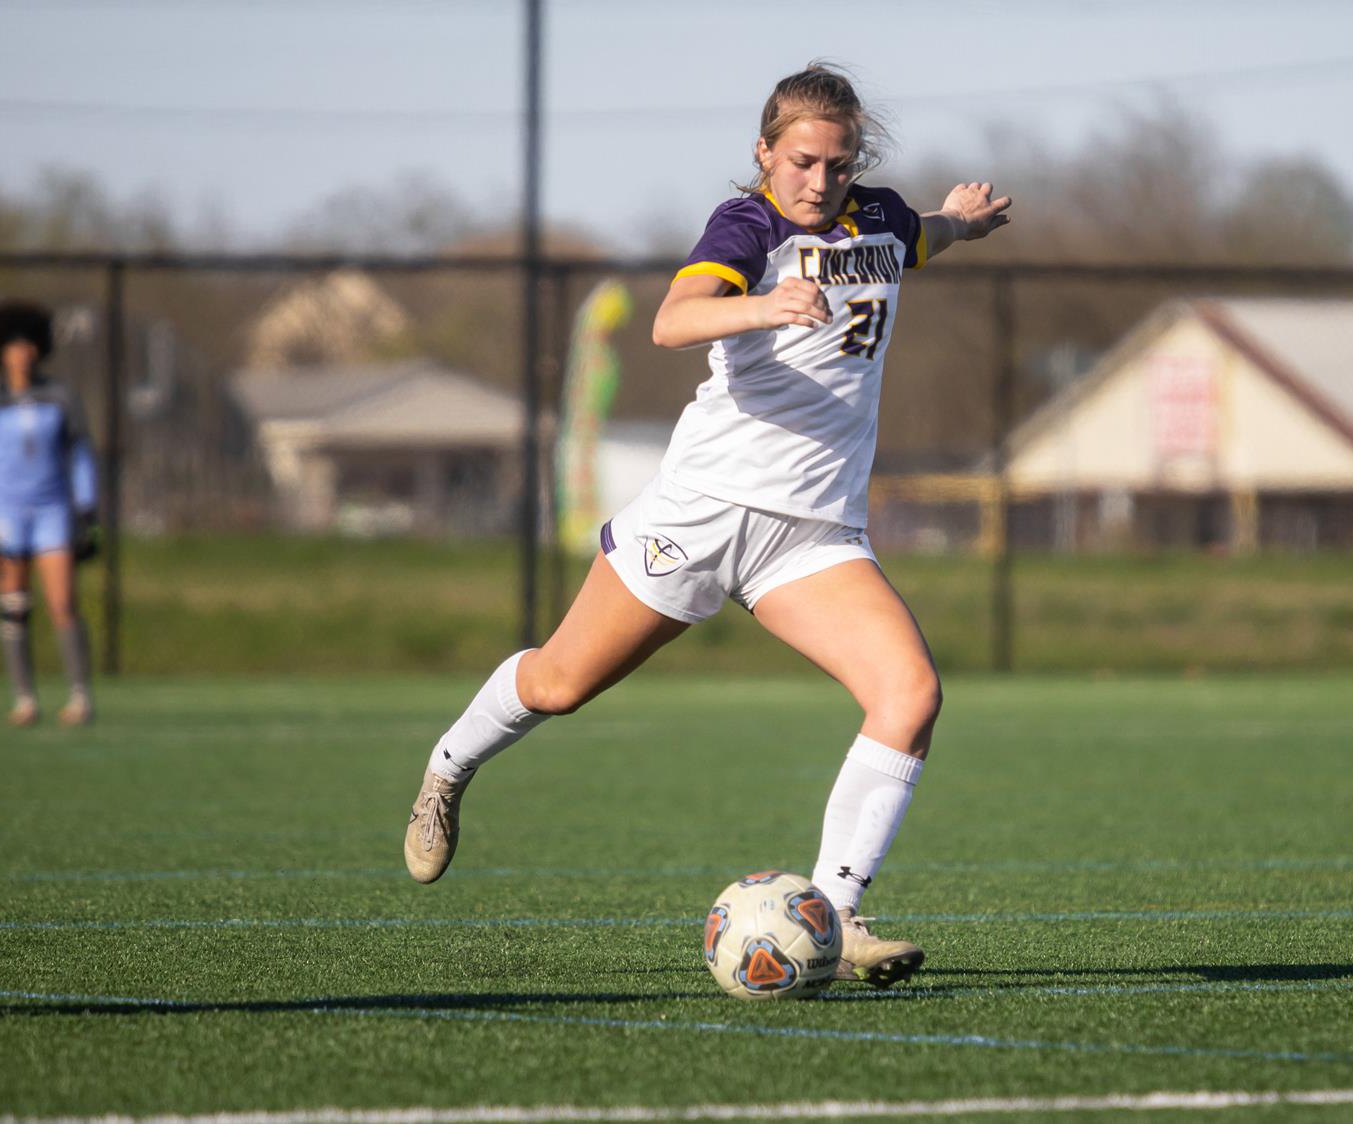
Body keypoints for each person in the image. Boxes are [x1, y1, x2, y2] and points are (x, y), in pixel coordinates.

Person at [403, 62, 1010, 989]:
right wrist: (764, 305)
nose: (820, 181)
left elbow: (916, 236)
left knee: (911, 696)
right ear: (766, 153)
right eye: (802, 161)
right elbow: (674, 320)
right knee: (560, 685)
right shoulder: (748, 227)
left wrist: (960, 222)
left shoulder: (879, 217)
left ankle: (838, 917)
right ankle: (447, 770)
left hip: (811, 536)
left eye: (839, 165)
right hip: (702, 514)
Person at [0, 301, 101, 727]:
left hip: (52, 509)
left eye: (27, 345)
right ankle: (25, 698)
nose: (21, 354)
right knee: (14, 603)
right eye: (13, 346)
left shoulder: (59, 398)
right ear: (0, 353)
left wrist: (86, 508)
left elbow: (79, 454)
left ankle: (80, 696)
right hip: (7, 512)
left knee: (63, 601)